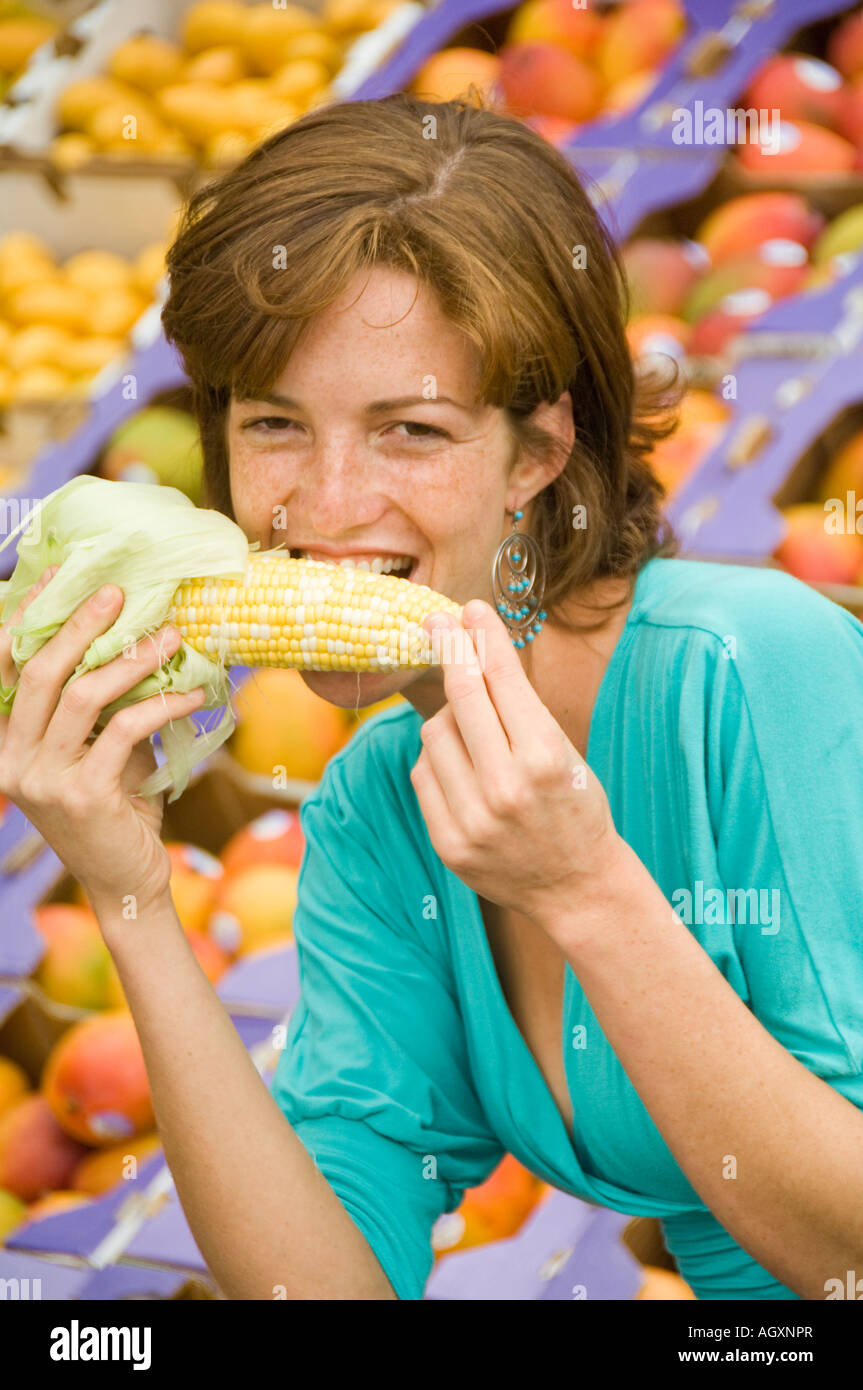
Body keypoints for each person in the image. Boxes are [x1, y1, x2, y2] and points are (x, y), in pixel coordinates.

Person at [2, 94, 862, 1302]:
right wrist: (130, 895)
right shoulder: (377, 804)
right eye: (274, 423)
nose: (326, 505)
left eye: (409, 429)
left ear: (538, 450)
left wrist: (585, 890)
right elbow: (325, 1288)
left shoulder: (747, 669)